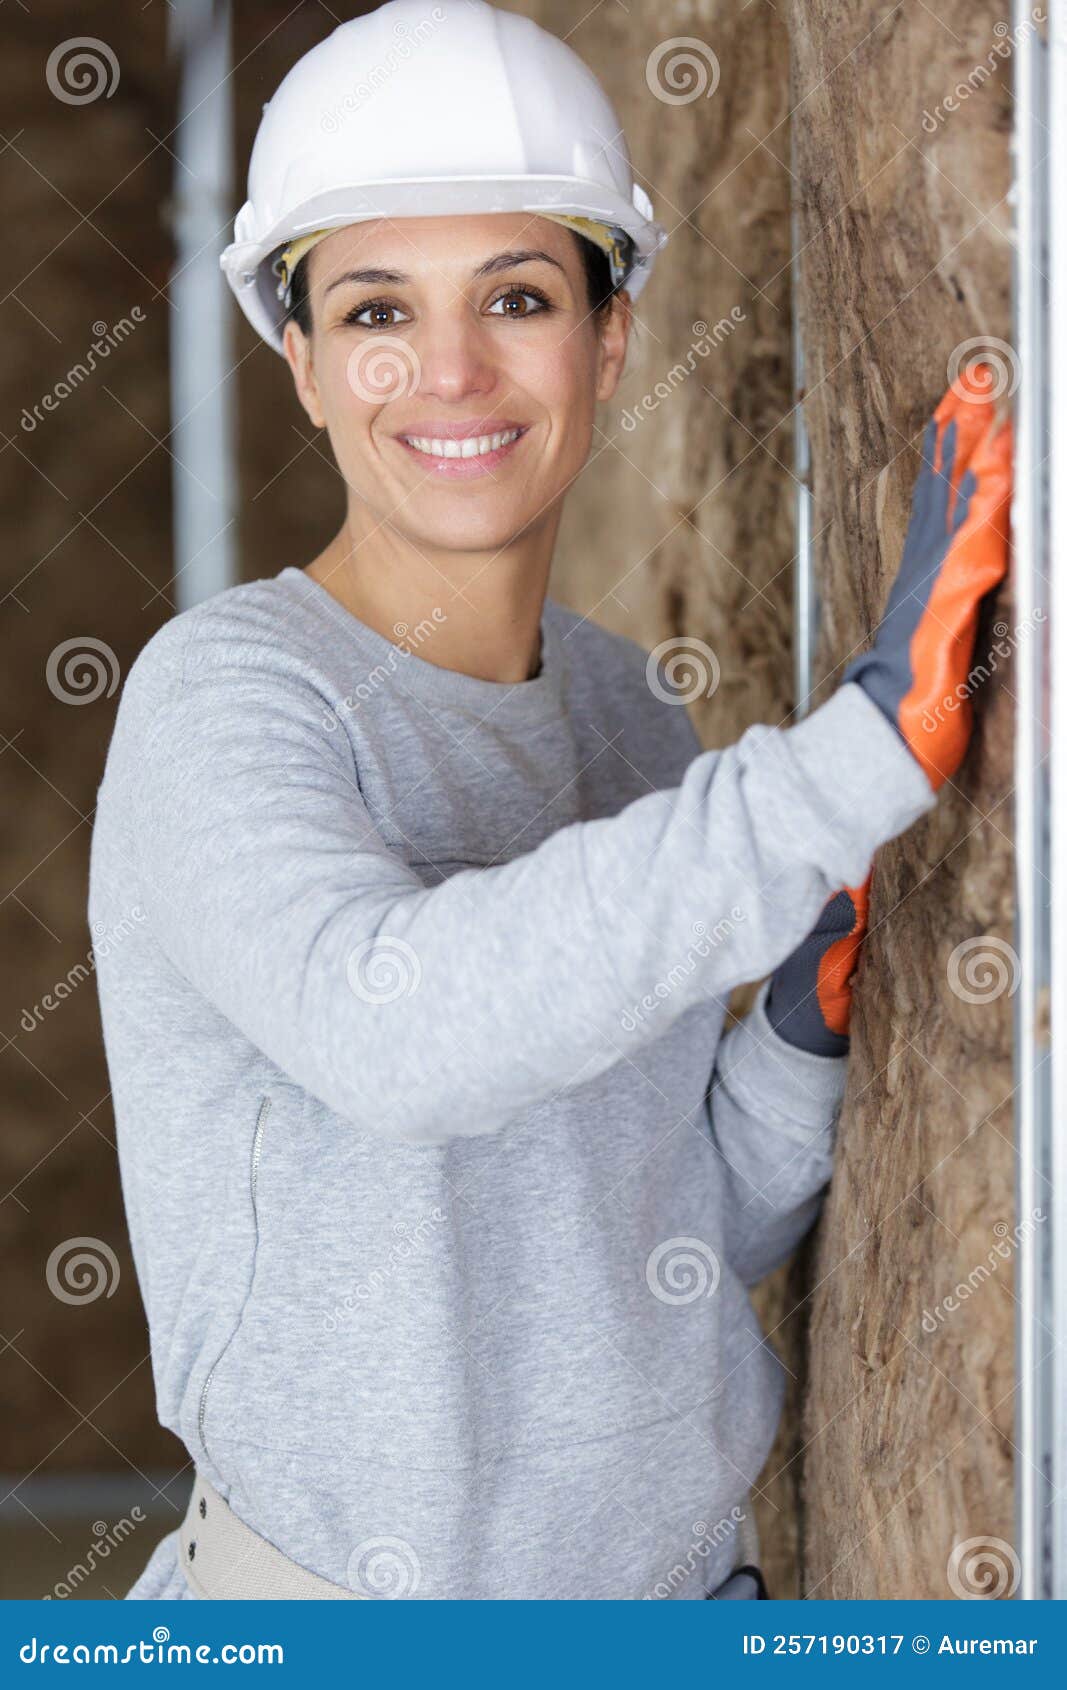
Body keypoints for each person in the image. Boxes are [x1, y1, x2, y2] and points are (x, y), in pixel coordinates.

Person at [88, 0, 1011, 1600]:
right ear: (301, 365)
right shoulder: (224, 704)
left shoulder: (623, 724)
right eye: (376, 309)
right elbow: (398, 1033)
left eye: (516, 296)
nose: (449, 370)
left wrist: (788, 1059)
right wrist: (858, 753)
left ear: (610, 338)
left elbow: (634, 1261)